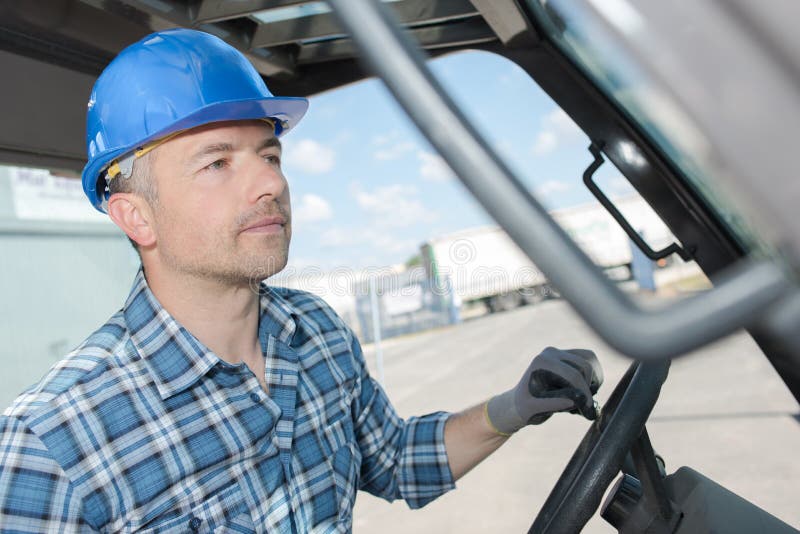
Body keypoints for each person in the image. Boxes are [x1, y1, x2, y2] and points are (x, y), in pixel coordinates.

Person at [0, 29, 602, 532]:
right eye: (217, 162)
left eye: (268, 155)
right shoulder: (50, 447)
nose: (269, 184)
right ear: (136, 215)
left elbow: (395, 461)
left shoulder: (315, 331)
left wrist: (514, 406)